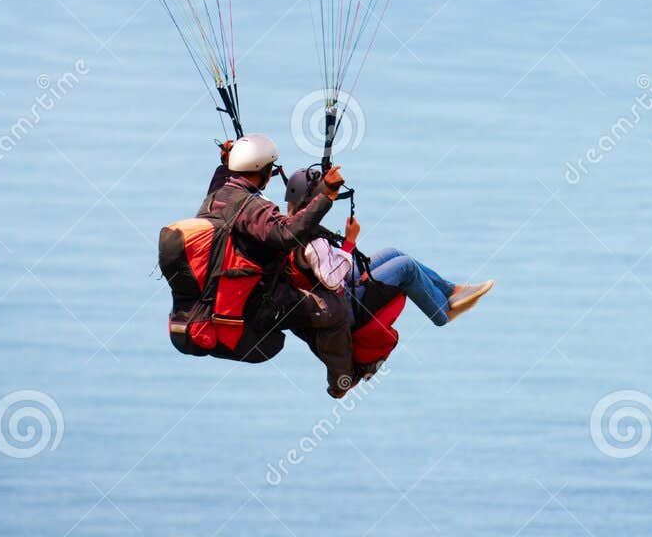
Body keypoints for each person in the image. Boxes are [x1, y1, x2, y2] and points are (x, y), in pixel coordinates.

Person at [165, 135, 356, 397]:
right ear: (265, 174)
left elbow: (224, 186)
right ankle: (342, 384)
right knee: (335, 309)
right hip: (256, 309)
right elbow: (288, 234)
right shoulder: (253, 208)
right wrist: (328, 196)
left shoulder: (214, 200)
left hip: (216, 304)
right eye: (272, 170)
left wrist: (226, 164)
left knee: (303, 305)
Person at [284, 166, 495, 333]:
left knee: (392, 253)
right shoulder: (311, 241)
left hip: (340, 288)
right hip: (342, 303)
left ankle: (452, 291)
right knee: (405, 267)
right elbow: (331, 280)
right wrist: (349, 242)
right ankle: (442, 313)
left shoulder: (291, 226)